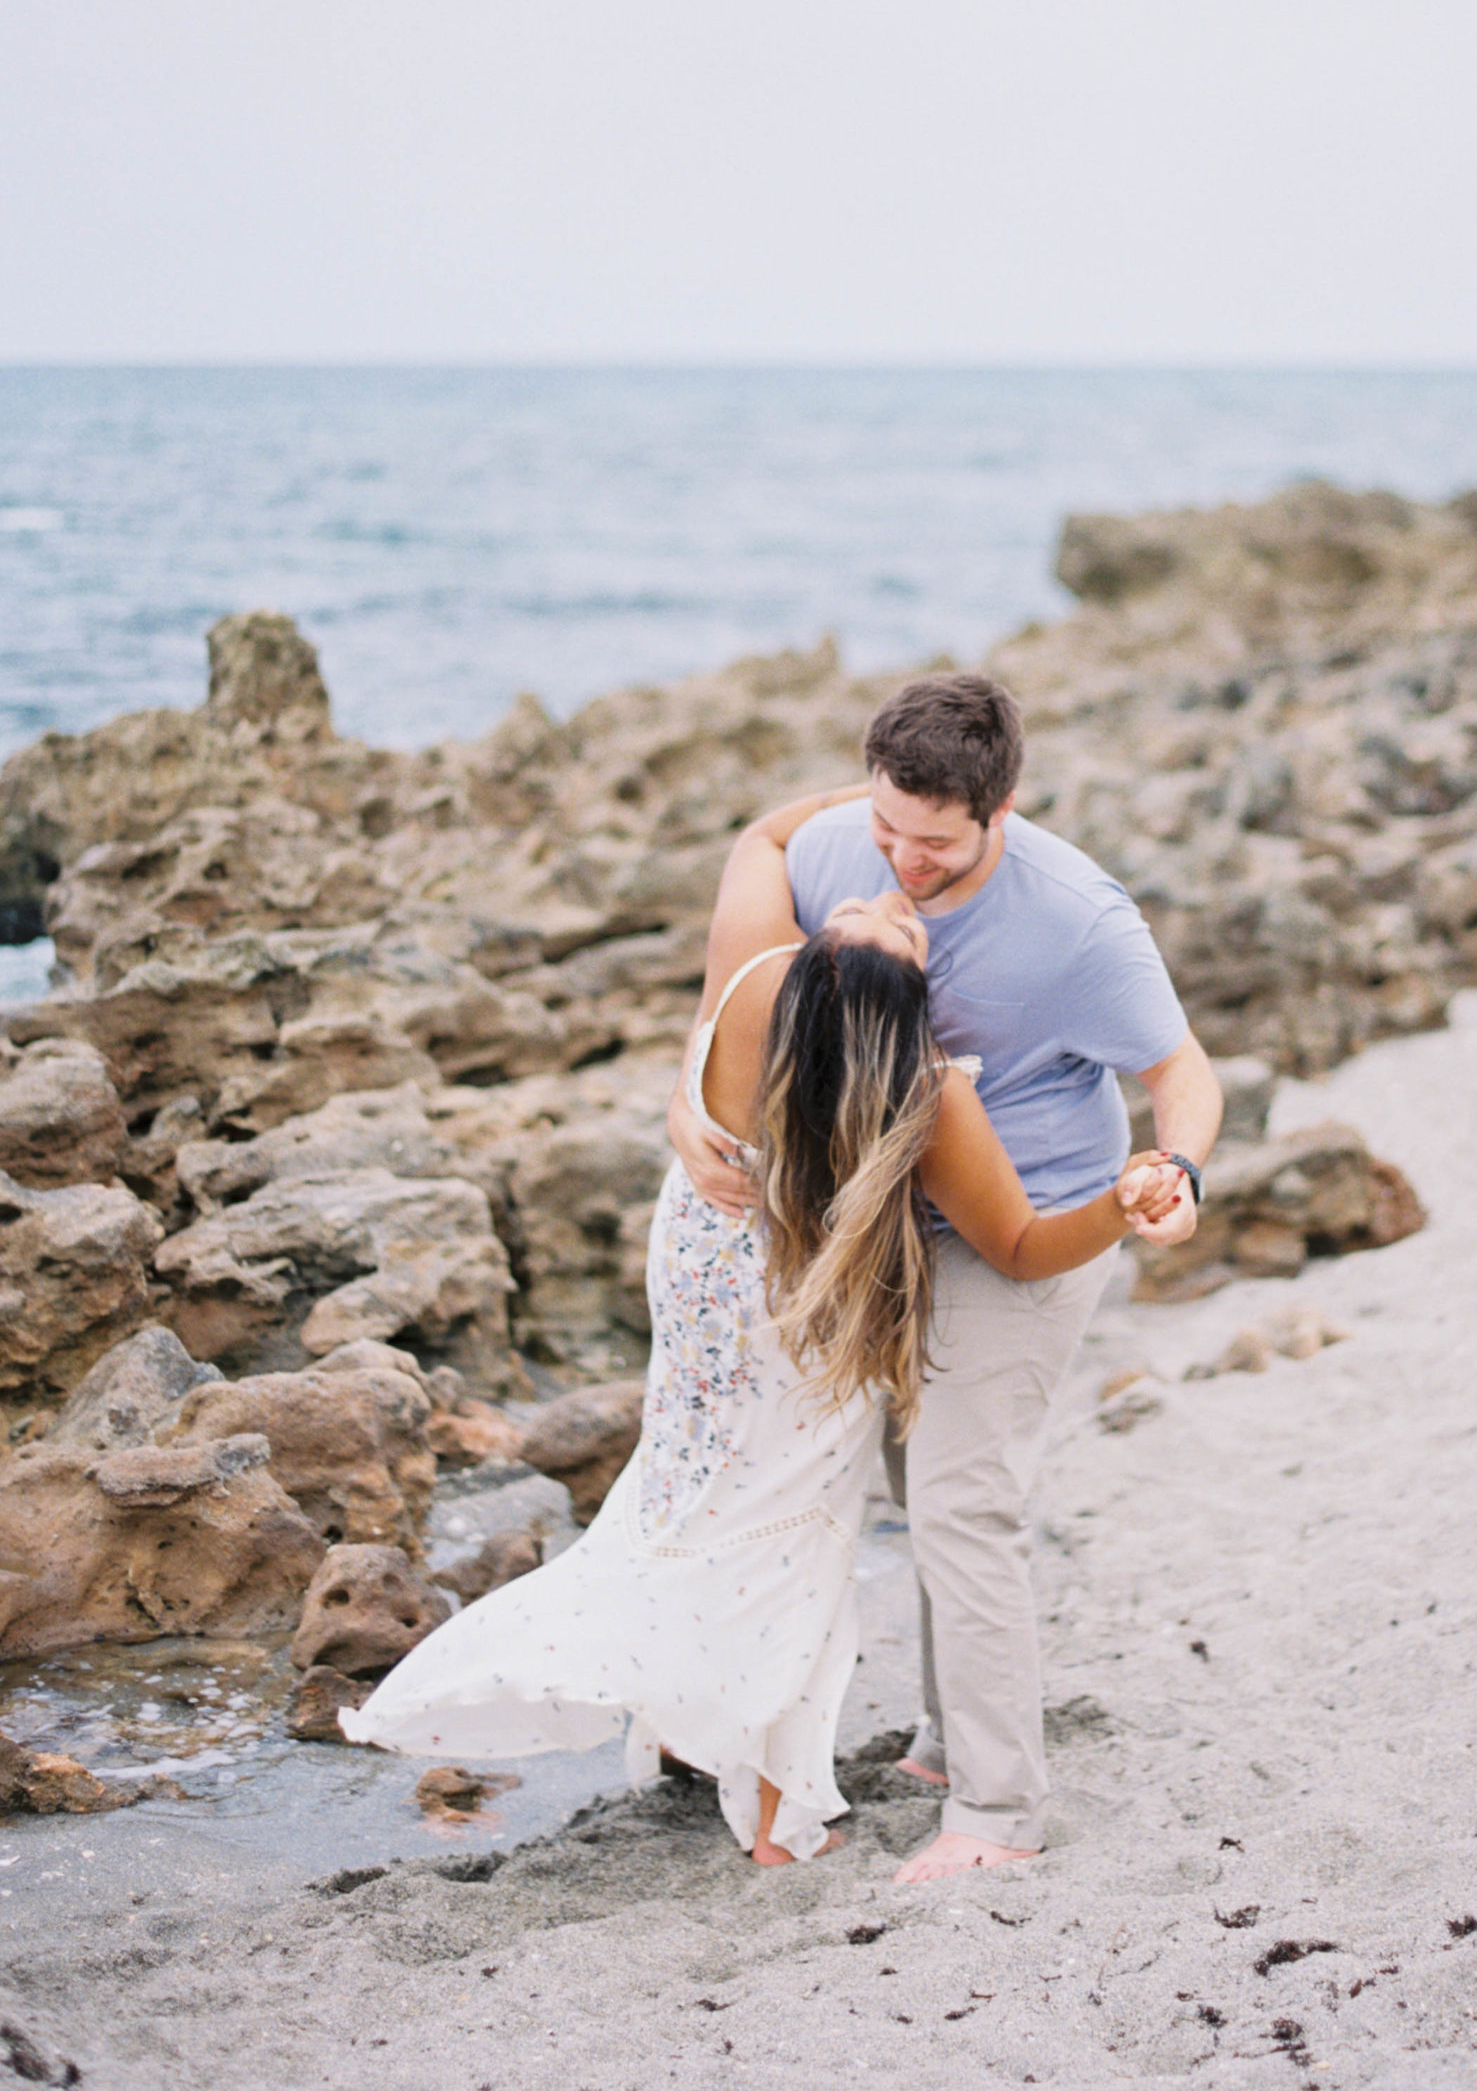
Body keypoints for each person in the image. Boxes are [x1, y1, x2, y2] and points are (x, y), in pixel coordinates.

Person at [341, 790, 1187, 1866]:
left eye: (884, 912)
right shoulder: (917, 1088)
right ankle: (780, 1815)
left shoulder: (752, 984)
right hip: (791, 1311)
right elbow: (1018, 1247)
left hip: (696, 1278)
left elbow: (760, 837)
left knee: (689, 1491)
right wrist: (1118, 1203)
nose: (889, 889)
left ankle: (687, 1732)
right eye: (883, 912)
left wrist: (869, 797)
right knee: (794, 1538)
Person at [669, 672, 1222, 1884]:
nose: (899, 866)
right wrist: (683, 1088)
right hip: (889, 1235)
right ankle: (937, 1736)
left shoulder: (1077, 923)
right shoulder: (838, 849)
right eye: (886, 832)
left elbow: (1184, 1069)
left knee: (966, 1504)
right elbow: (760, 873)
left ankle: (998, 1812)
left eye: (933, 845)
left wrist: (1172, 1169)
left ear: (1001, 808)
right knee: (921, 1491)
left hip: (1035, 1224)